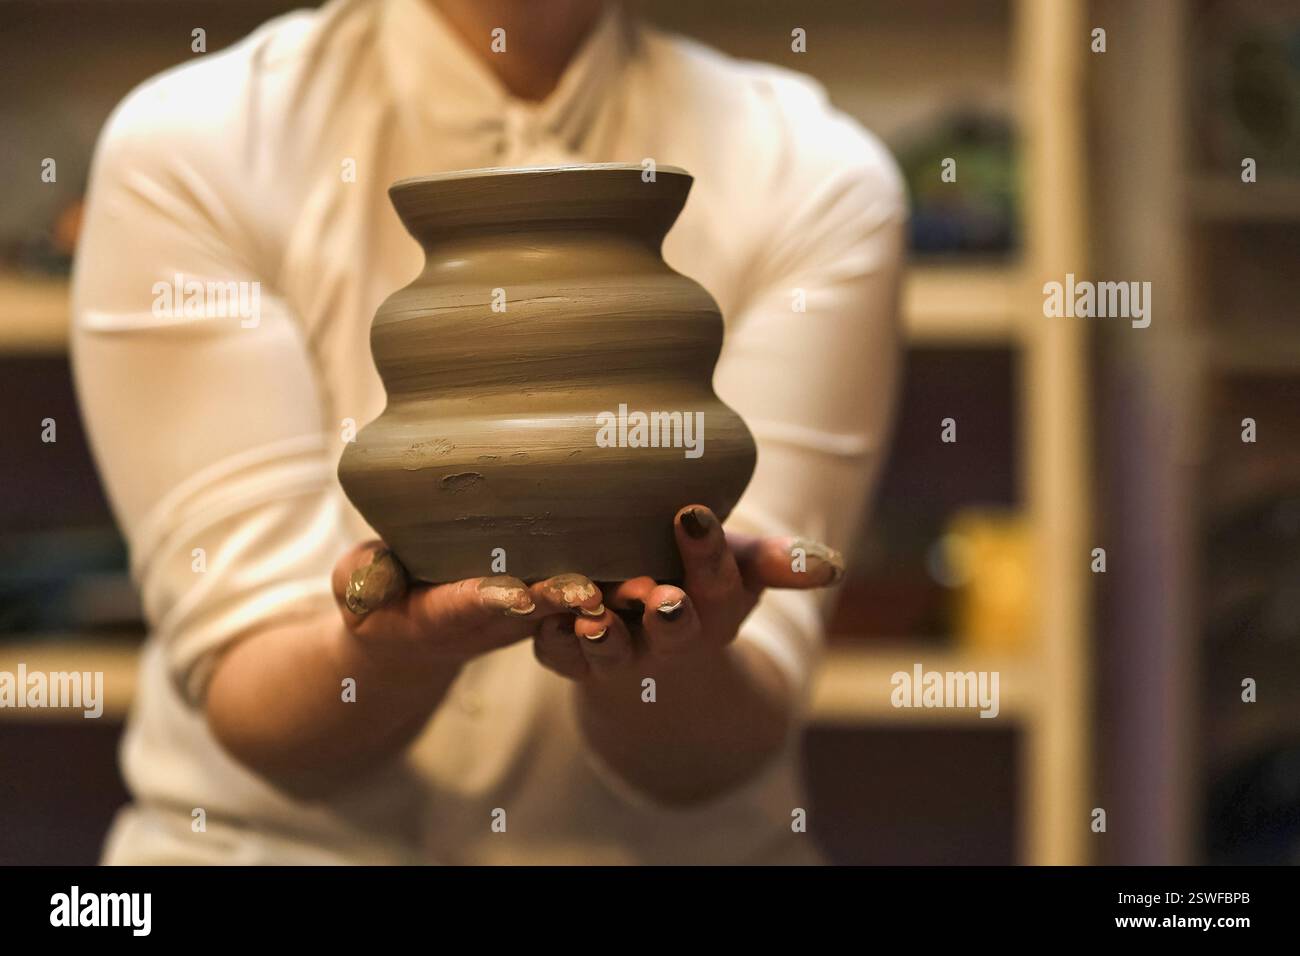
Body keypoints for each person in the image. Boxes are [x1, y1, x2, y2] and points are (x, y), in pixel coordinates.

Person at [71, 0, 905, 864]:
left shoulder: (811, 172)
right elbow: (257, 696)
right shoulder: (194, 145)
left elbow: (721, 743)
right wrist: (399, 653)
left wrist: (670, 655)